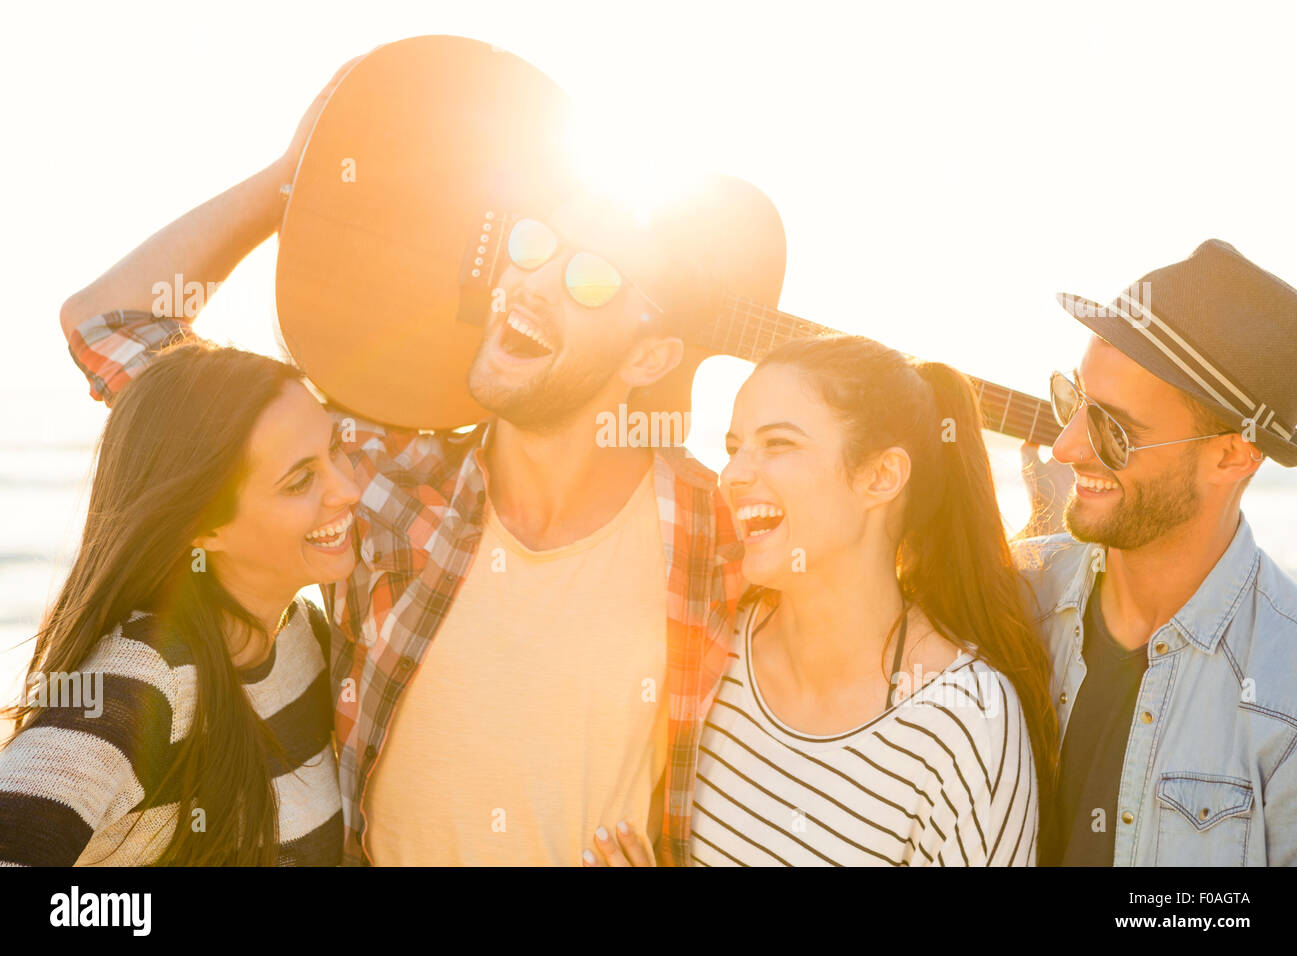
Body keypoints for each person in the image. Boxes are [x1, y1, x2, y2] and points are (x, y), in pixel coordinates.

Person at [54, 62, 752, 866]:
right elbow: (109, 326)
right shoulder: (383, 479)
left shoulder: (719, 526)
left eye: (589, 281)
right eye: (533, 245)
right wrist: (288, 186)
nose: (531, 284)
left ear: (651, 355)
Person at [583, 335, 1058, 866]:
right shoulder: (711, 647)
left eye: (778, 444)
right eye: (734, 446)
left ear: (881, 477)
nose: (734, 473)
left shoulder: (966, 720)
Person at [0, 342, 359, 865]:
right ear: (203, 525)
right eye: (301, 480)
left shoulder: (303, 634)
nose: (347, 489)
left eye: (337, 450)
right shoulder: (144, 682)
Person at [1016, 239, 1297, 866]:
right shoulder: (1010, 597)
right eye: (1074, 404)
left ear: (1233, 455)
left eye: (1114, 431)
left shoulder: (1289, 693)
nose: (1065, 449)